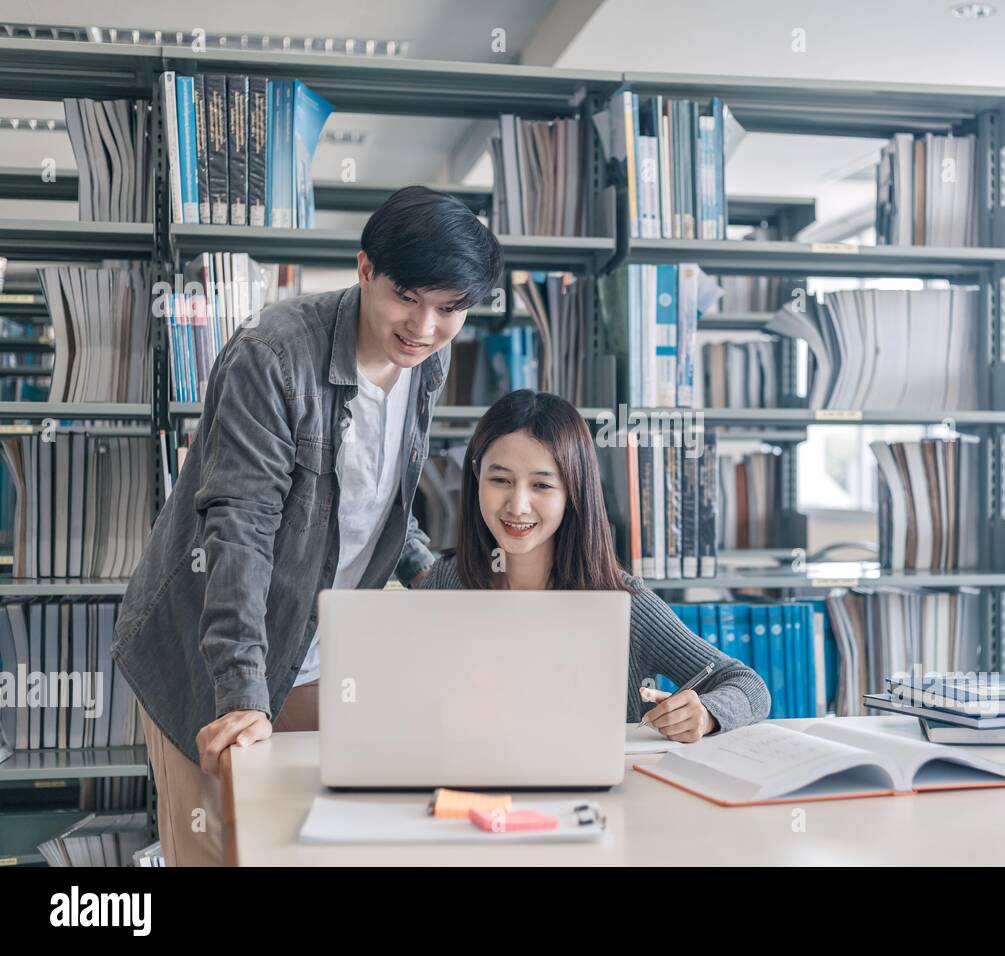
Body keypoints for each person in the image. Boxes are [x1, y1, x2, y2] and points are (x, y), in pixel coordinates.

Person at [112, 186, 502, 865]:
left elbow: (375, 503)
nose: (424, 325)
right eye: (407, 297)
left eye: (450, 309)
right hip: (211, 650)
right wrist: (240, 698)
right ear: (364, 269)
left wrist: (444, 581)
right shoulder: (273, 356)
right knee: (224, 849)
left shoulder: (427, 360)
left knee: (343, 838)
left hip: (323, 647)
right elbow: (241, 529)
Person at [419, 389, 771, 740]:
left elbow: (748, 686)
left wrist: (706, 713)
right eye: (500, 480)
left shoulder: (622, 601)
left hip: (599, 791)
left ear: (573, 492)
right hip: (472, 779)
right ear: (476, 478)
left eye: (541, 484)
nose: (518, 505)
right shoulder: (447, 580)